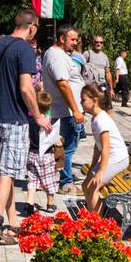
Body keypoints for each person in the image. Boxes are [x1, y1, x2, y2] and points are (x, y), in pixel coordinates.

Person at [0, 10, 52, 242]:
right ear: (31, 26)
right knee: (7, 173)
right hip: (15, 119)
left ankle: (13, 220)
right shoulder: (24, 49)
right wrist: (38, 116)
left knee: (8, 171)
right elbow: (26, 88)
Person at [42, 26, 86, 192]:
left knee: (66, 146)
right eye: (72, 39)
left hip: (65, 110)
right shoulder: (56, 56)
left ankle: (57, 179)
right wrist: (75, 109)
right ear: (62, 38)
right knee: (67, 148)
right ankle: (65, 183)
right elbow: (62, 83)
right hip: (65, 111)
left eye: (76, 40)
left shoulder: (60, 55)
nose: (75, 43)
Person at [81, 84, 129, 213]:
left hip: (117, 159)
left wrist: (101, 171)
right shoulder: (95, 118)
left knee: (93, 187)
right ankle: (93, 217)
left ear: (94, 101)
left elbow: (106, 147)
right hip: (110, 158)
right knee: (85, 185)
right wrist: (93, 166)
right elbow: (98, 146)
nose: (81, 103)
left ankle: (97, 223)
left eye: (84, 100)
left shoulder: (101, 120)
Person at [24, 90, 61, 215]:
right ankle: (50, 204)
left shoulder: (30, 119)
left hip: (31, 154)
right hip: (46, 155)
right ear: (47, 108)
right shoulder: (47, 121)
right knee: (49, 179)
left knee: (32, 179)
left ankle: (29, 204)